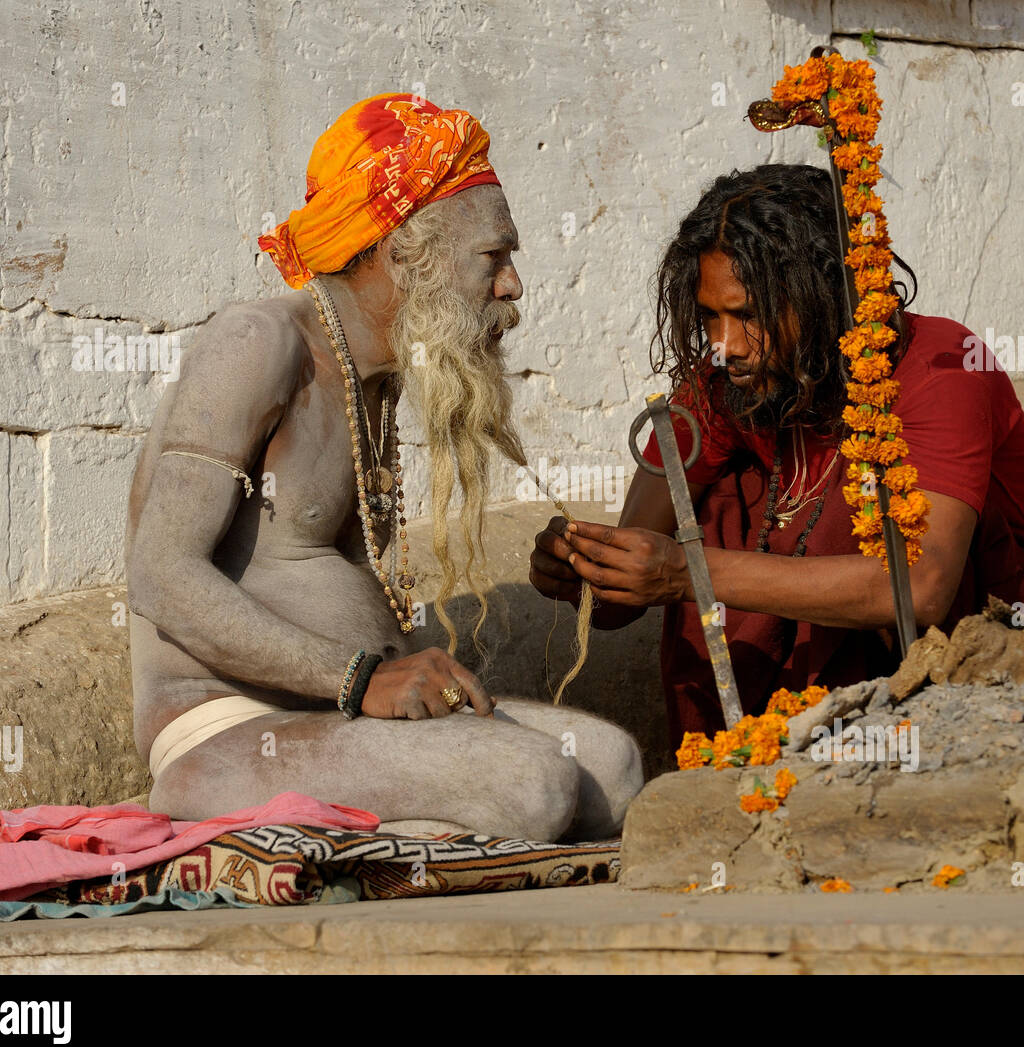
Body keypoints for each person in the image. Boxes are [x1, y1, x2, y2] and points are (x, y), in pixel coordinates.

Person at [126, 93, 642, 839]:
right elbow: (160, 574)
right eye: (495, 258)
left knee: (614, 765)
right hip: (234, 731)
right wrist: (360, 678)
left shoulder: (375, 377)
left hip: (346, 722)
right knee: (535, 784)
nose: (513, 288)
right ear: (407, 252)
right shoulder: (257, 341)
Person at [529, 164, 1024, 747]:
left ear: (823, 295)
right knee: (720, 503)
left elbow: (923, 586)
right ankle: (757, 761)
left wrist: (680, 570)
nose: (724, 345)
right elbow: (633, 581)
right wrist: (587, 570)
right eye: (710, 318)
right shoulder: (720, 382)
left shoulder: (940, 365)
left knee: (856, 501)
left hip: (1019, 661)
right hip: (813, 693)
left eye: (746, 316)